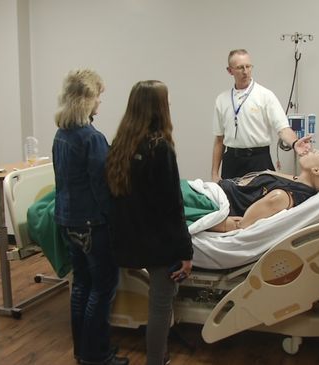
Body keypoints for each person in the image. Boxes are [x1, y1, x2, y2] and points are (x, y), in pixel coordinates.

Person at [106, 80, 193, 365]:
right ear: (158, 108)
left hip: (127, 239)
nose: (169, 105)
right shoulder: (160, 148)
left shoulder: (119, 146)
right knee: (160, 307)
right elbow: (173, 208)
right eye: (166, 101)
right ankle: (157, 360)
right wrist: (185, 253)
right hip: (158, 244)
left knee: (159, 304)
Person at [52, 69, 128, 365]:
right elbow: (103, 188)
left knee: (81, 285)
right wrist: (116, 221)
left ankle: (82, 352)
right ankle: (97, 356)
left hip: (67, 220)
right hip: (92, 225)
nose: (100, 102)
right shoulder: (91, 138)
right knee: (102, 286)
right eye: (98, 96)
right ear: (85, 100)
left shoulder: (62, 135)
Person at [211, 48, 313, 181]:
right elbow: (219, 140)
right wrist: (214, 173)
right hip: (231, 162)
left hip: (258, 160)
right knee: (230, 200)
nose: (245, 71)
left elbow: (282, 128)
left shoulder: (265, 95)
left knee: (263, 199)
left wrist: (294, 143)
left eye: (248, 66)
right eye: (240, 67)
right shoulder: (222, 99)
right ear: (230, 71)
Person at [205, 149, 319, 232]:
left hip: (211, 202)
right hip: (213, 192)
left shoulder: (282, 197)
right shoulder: (298, 181)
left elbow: (242, 224)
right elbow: (268, 172)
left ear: (316, 170)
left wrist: (199, 225)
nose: (314, 150)